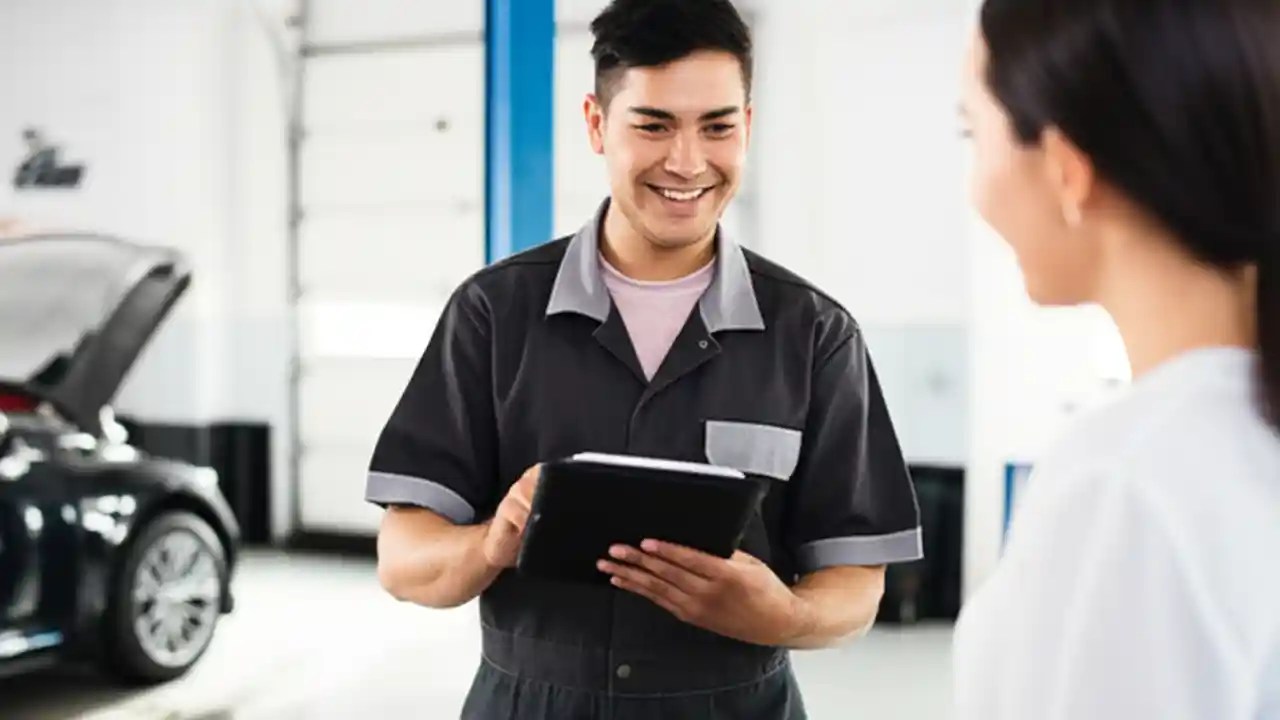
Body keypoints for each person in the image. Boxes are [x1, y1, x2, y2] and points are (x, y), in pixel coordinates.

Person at [366, 1, 923, 718]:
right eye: (653, 125)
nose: (687, 162)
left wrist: (780, 614)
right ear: (597, 124)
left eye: (717, 127)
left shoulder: (815, 335)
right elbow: (403, 559)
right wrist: (492, 543)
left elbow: (857, 585)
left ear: (748, 126)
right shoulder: (493, 315)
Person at [954, 0, 1280, 717]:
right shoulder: (1233, 437)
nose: (975, 192)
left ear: (1067, 169)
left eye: (972, 132)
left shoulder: (1128, 482)